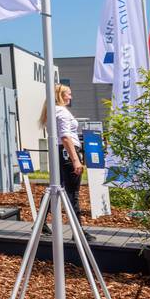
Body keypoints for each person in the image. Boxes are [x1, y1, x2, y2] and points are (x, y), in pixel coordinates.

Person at [39, 83, 94, 242]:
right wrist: (75, 160)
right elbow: (65, 137)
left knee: (56, 187)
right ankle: (78, 230)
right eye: (68, 94)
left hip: (59, 153)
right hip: (66, 152)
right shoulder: (61, 112)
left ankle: (41, 222)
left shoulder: (51, 111)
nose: (70, 97)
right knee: (72, 192)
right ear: (59, 95)